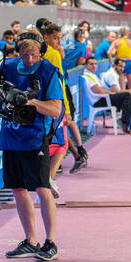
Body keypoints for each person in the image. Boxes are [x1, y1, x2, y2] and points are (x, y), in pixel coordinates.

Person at [0, 29, 65, 261]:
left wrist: (32, 102)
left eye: (34, 54)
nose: (29, 59)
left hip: (36, 138)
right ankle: (30, 240)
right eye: (25, 54)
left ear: (41, 52)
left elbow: (55, 110)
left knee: (43, 188)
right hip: (10, 135)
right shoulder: (8, 66)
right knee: (17, 189)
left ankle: (51, 242)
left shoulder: (49, 72)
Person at [38, 19, 89, 178]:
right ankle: (77, 154)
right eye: (56, 38)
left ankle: (78, 153)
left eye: (60, 38)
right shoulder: (48, 52)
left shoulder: (54, 53)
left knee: (63, 126)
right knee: (58, 130)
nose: (59, 41)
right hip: (51, 98)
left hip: (57, 96)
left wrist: (65, 108)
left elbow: (59, 80)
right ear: (45, 37)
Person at [80, 56, 131, 131]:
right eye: (91, 64)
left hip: (103, 98)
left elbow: (103, 89)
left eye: (95, 64)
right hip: (99, 101)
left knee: (128, 98)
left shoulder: (93, 75)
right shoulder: (87, 77)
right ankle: (124, 123)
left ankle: (125, 121)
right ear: (86, 66)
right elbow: (99, 90)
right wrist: (111, 93)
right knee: (126, 95)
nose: (94, 66)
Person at [109, 26, 131, 91]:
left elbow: (108, 52)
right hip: (129, 62)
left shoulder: (116, 41)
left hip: (121, 63)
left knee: (122, 89)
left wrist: (112, 63)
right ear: (127, 33)